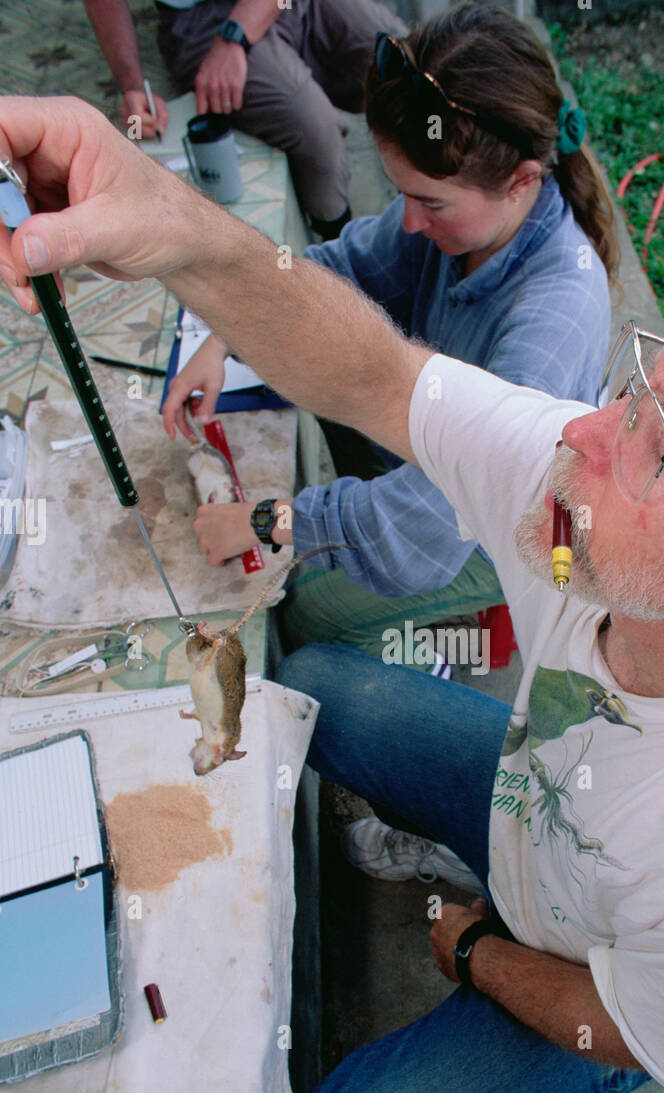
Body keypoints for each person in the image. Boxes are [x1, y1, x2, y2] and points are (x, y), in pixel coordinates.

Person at [2, 94, 664, 1093]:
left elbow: (631, 1026)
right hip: (541, 816)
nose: (587, 437)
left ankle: (546, 1036)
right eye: (640, 381)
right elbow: (373, 373)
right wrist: (164, 216)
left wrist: (469, 951)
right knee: (316, 680)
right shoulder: (591, 492)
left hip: (607, 974)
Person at [161, 4, 616, 678]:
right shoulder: (473, 221)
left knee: (309, 610)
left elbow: (427, 521)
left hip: (512, 531)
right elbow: (337, 267)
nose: (405, 223)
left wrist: (262, 521)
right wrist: (225, 334)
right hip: (443, 475)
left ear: (521, 179)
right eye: (401, 193)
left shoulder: (553, 319)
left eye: (429, 204)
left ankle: (415, 666)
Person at [82, 0, 406, 238]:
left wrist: (235, 36)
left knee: (406, 59)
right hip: (199, 17)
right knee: (315, 128)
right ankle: (339, 246)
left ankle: (430, 204)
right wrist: (132, 85)